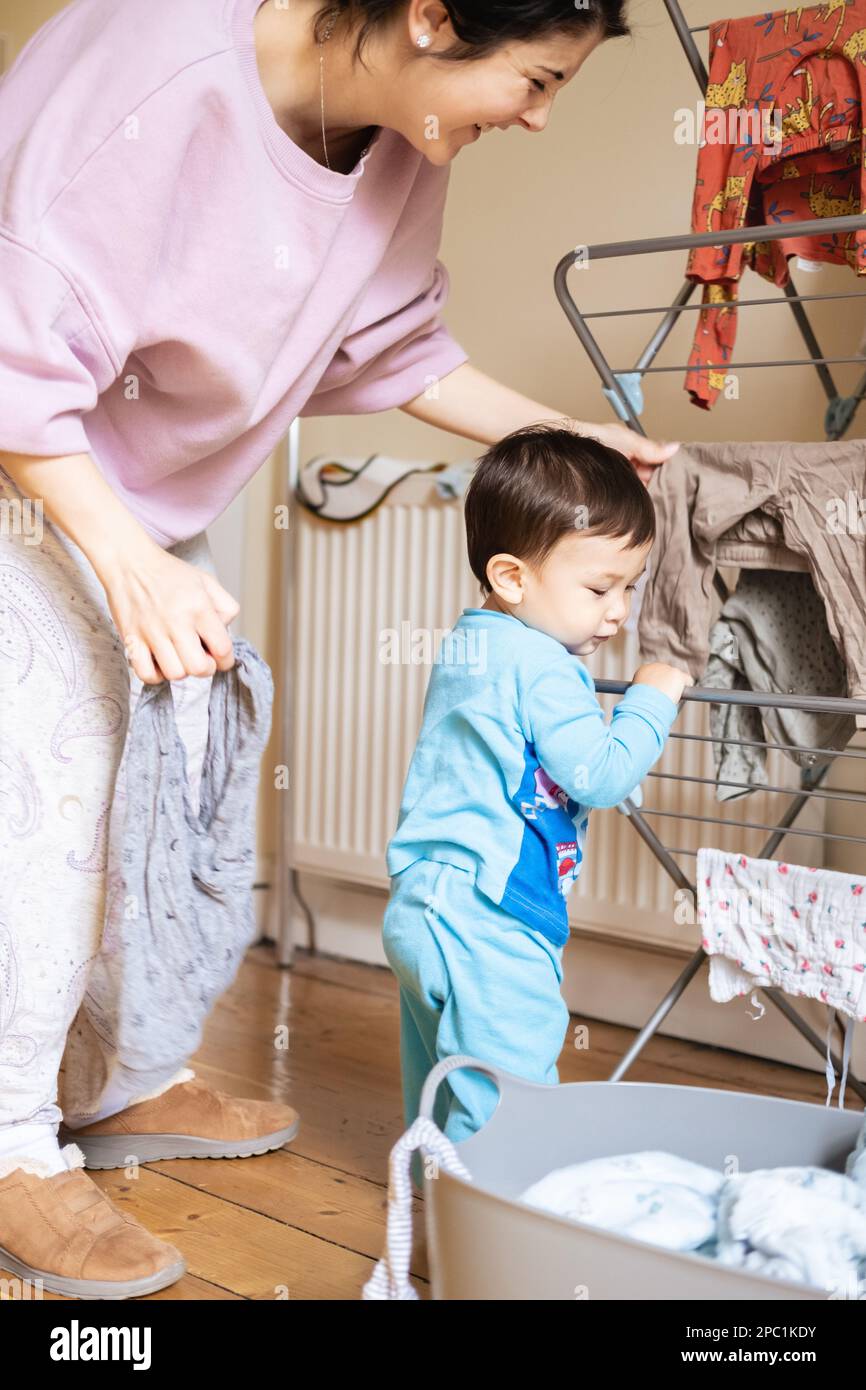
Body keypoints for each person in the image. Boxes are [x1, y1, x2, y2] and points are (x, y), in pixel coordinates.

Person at [0, 0, 677, 1297]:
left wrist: (573, 436)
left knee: (170, 797)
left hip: (142, 499)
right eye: (532, 81)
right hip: (31, 469)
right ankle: (14, 1149)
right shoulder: (145, 75)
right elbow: (13, 347)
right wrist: (121, 559)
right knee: (50, 786)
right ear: (429, 16)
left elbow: (398, 349)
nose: (536, 118)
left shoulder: (397, 148)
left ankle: (119, 1075)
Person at [384, 425, 693, 1144]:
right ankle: (502, 1231)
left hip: (424, 904)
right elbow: (602, 774)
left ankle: (445, 1208)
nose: (619, 610)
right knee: (510, 1102)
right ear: (512, 577)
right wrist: (653, 696)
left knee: (441, 1085)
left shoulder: (473, 642)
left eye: (629, 587)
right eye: (598, 587)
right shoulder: (547, 666)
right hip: (494, 918)